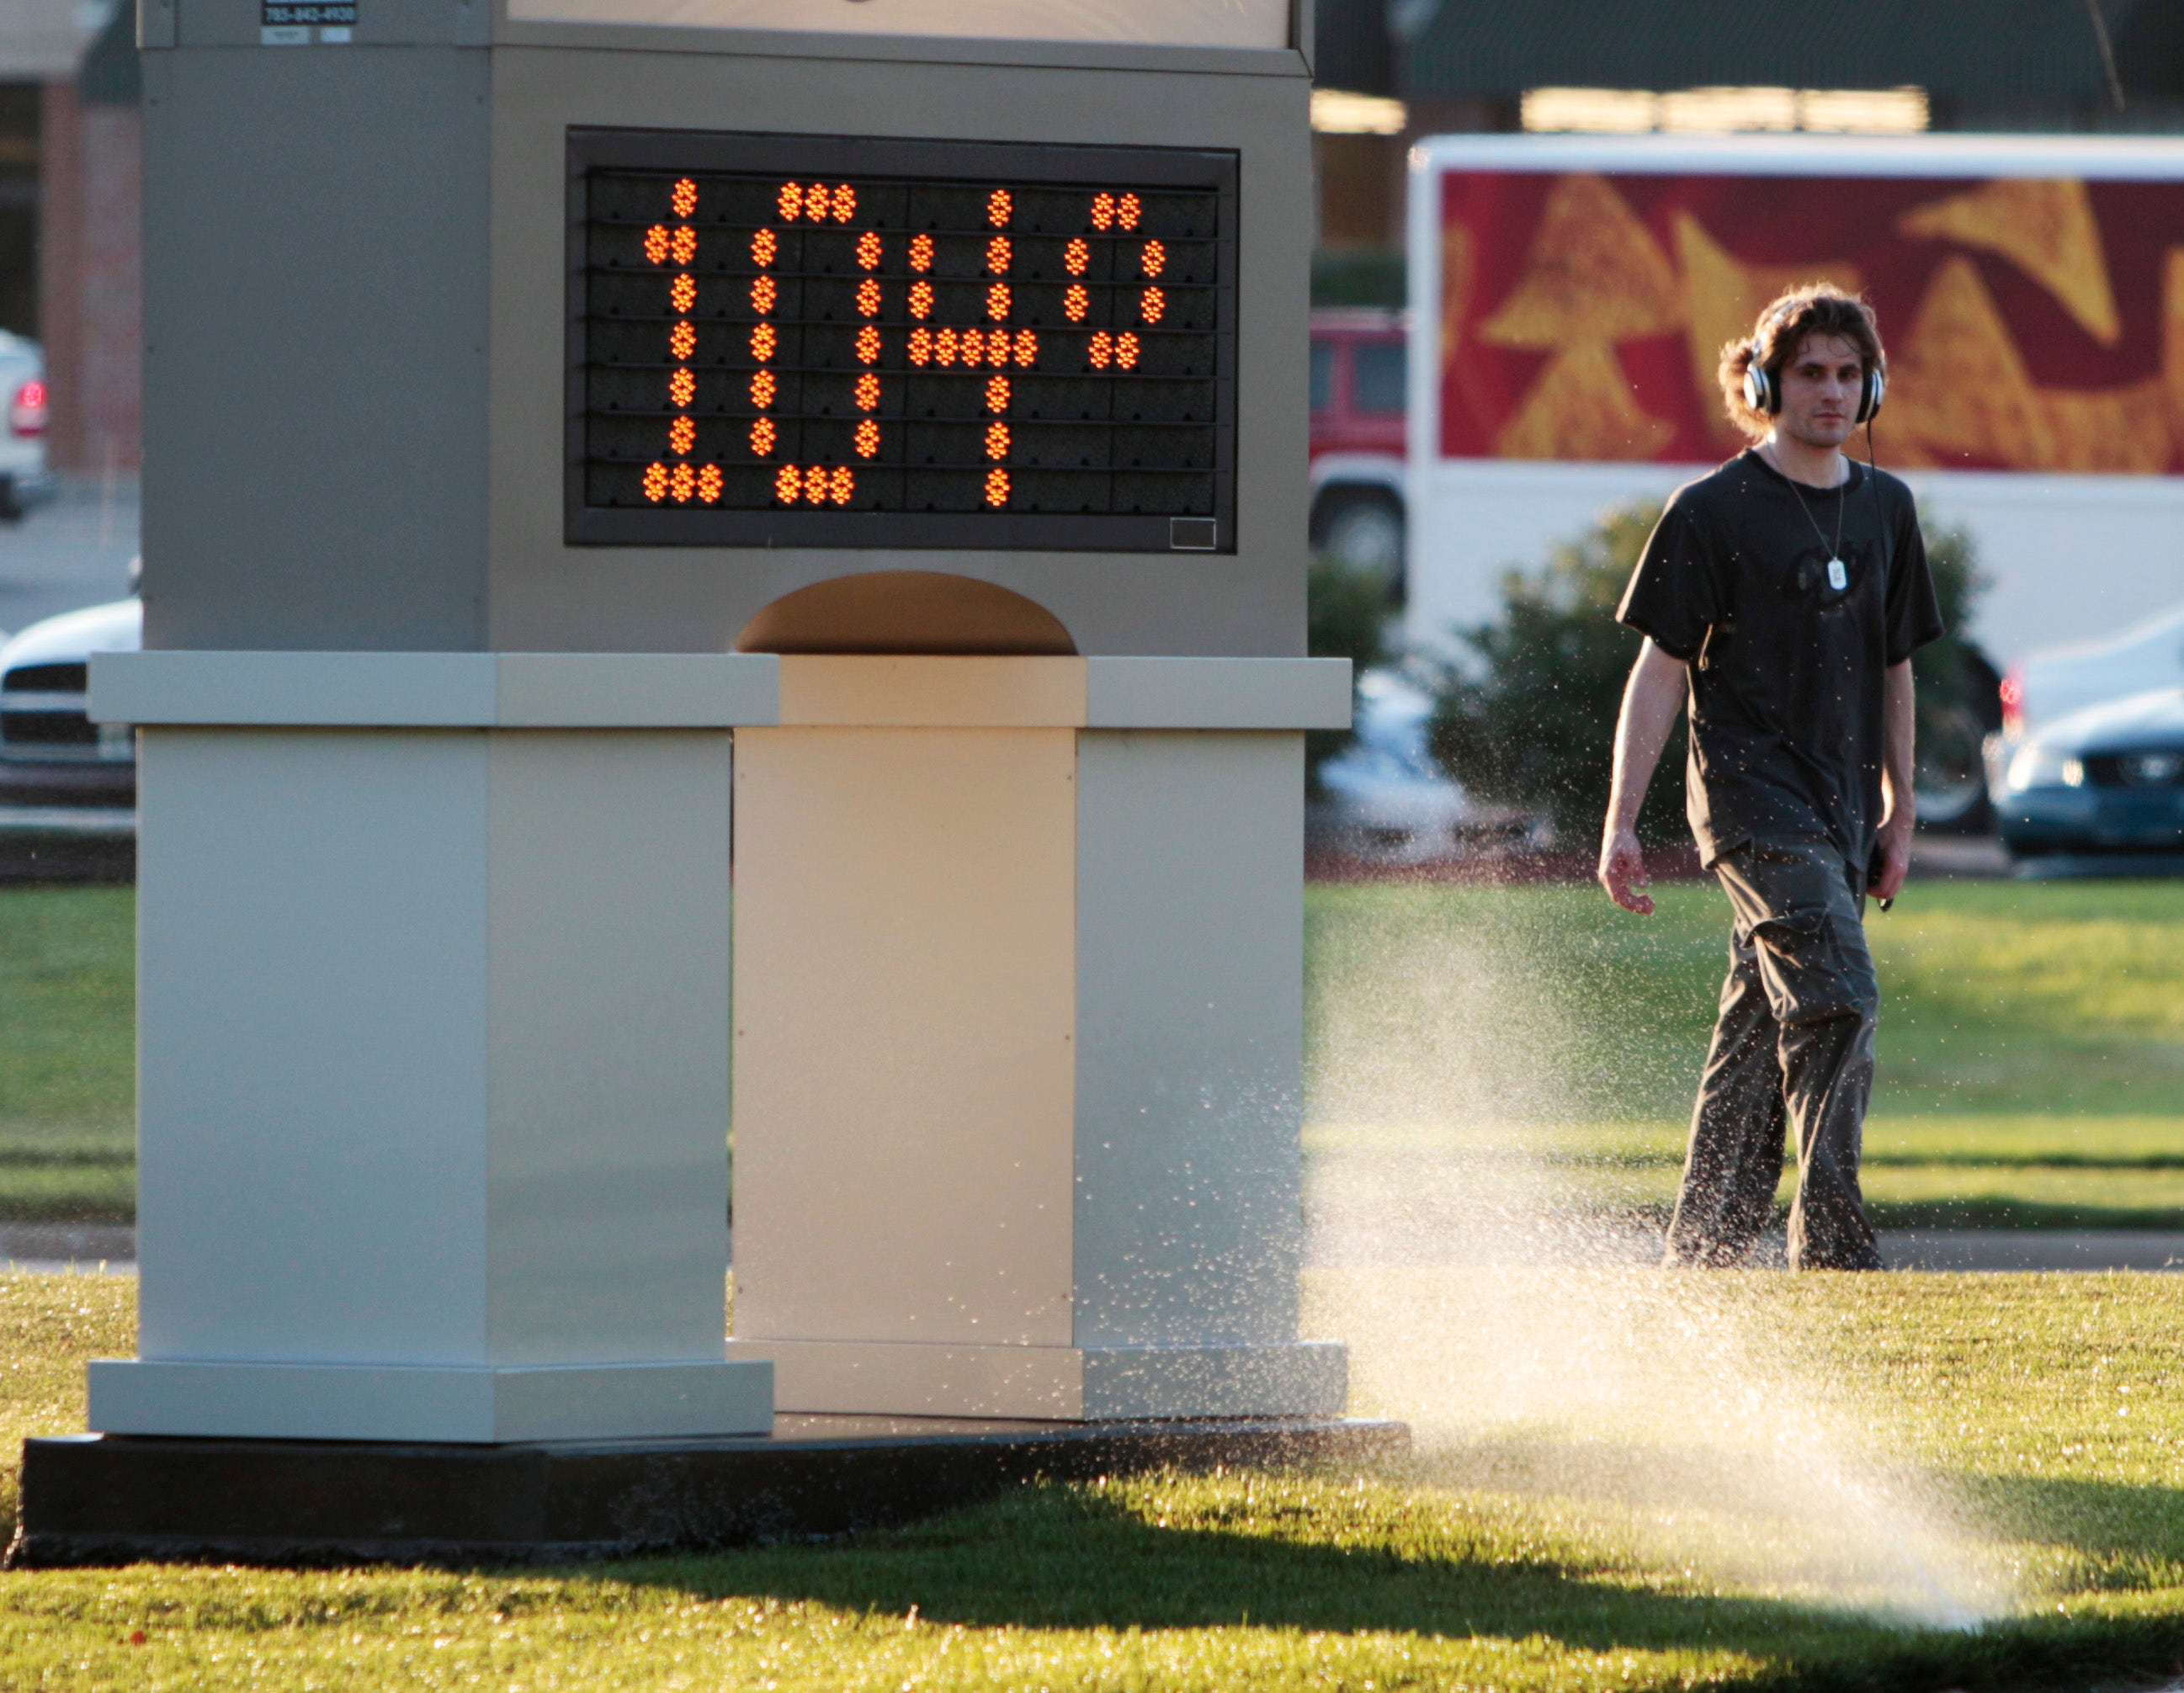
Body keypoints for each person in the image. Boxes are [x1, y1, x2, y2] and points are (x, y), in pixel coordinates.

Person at [1597, 285, 1943, 1271]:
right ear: (1764, 382)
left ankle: (1701, 1255)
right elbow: (1659, 670)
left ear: (1870, 384)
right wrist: (1623, 820)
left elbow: (1896, 666)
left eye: (1847, 374)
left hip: (1840, 812)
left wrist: (1901, 810)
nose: (1831, 392)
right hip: (1752, 806)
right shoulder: (1711, 510)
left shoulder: (1888, 508)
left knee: (1756, 1033)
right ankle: (1832, 1244)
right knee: (1837, 992)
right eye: (1809, 373)